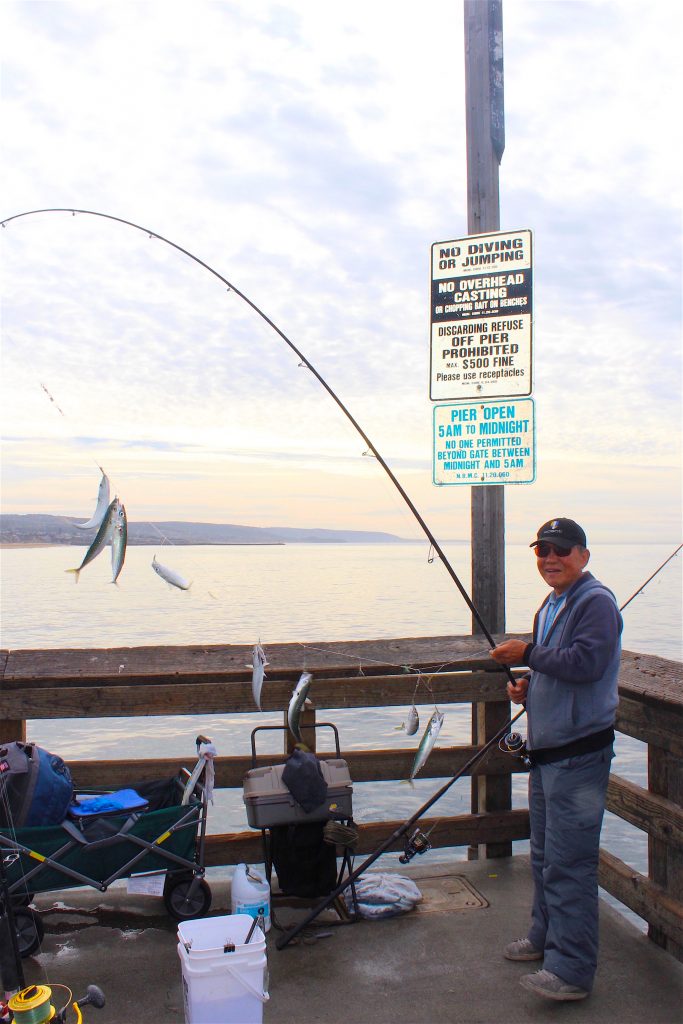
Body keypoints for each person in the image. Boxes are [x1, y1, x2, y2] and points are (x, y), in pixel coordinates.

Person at [490, 517, 622, 1003]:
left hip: (579, 759)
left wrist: (527, 651)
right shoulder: (551, 604)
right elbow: (555, 662)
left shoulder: (596, 603)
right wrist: (530, 684)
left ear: (583, 556)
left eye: (561, 550)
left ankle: (570, 971)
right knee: (545, 858)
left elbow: (588, 664)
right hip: (546, 756)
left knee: (571, 865)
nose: (551, 558)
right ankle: (545, 939)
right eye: (543, 550)